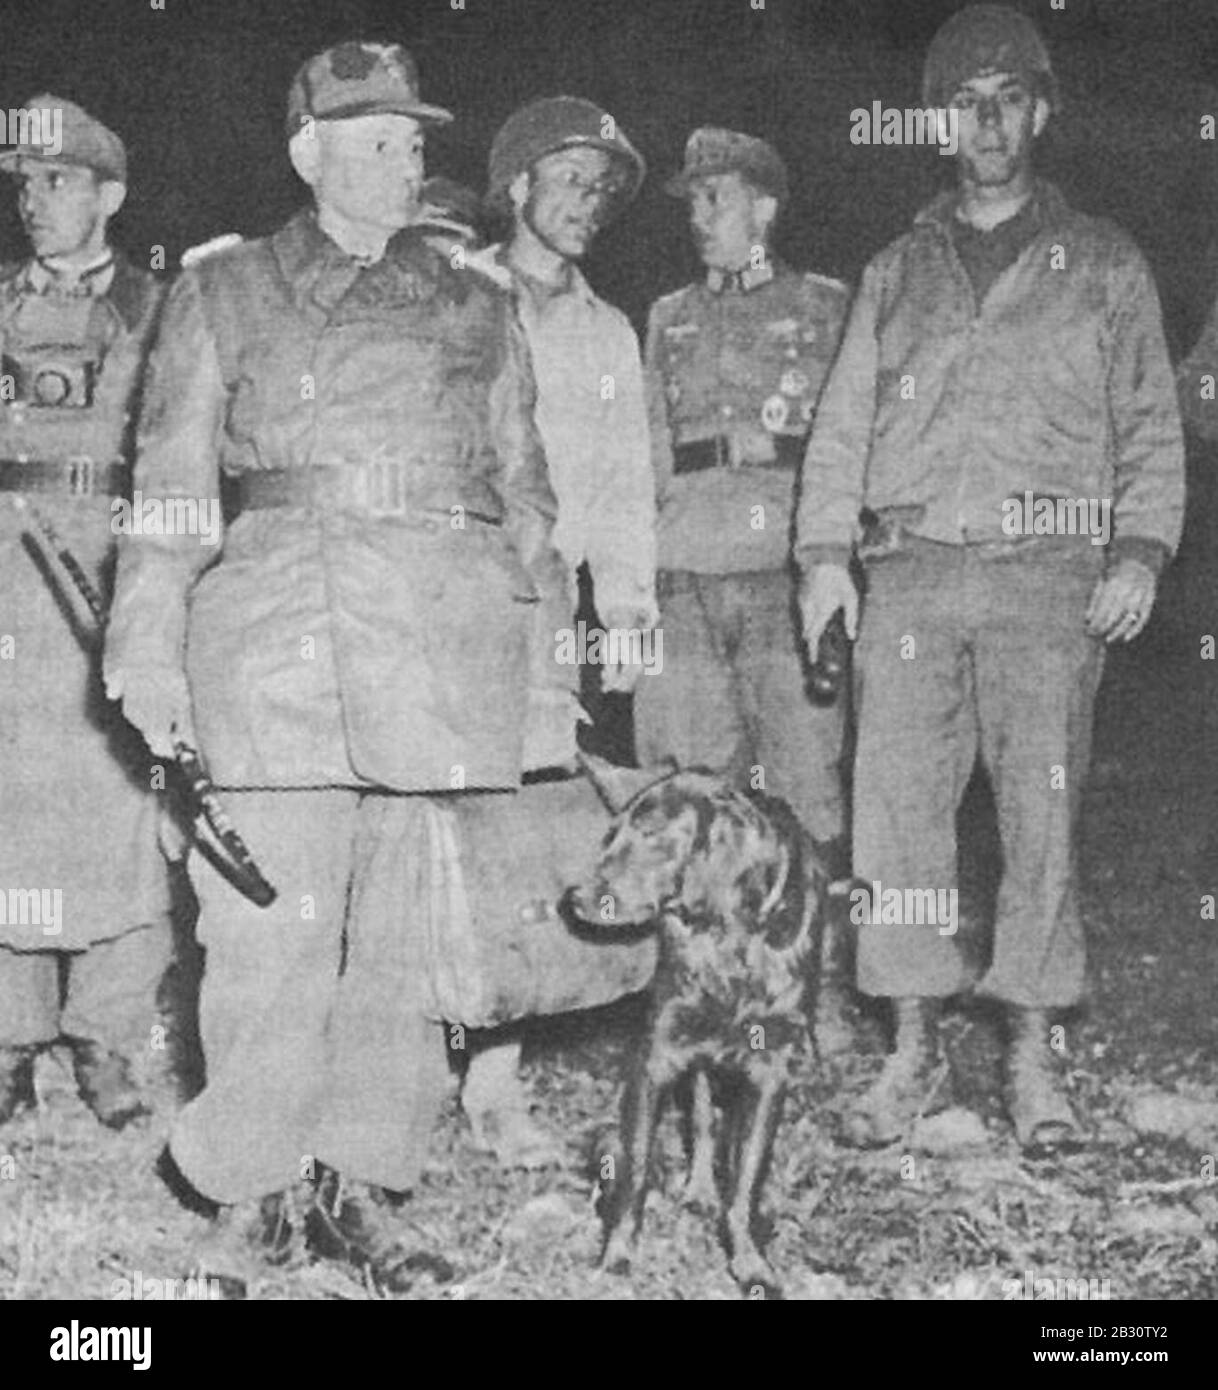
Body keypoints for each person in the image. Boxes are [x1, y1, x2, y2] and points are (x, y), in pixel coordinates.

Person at [103, 41, 568, 1293]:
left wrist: (546, 674)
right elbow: (171, 493)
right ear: (308, 152)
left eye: (412, 139)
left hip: (440, 642)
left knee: (405, 942)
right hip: (275, 640)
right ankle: (253, 1190)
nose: (403, 158)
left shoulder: (477, 298)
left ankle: (363, 1185)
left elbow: (528, 500)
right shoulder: (225, 289)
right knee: (265, 934)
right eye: (372, 138)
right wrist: (146, 653)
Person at [796, 4, 1185, 1152]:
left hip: (1048, 575)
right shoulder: (895, 270)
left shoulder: (1104, 261)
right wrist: (821, 558)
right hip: (911, 570)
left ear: (1042, 113)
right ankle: (913, 1048)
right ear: (937, 124)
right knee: (896, 818)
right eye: (965, 104)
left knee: (1041, 815)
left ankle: (1031, 1053)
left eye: (1010, 99)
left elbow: (1149, 421)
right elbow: (840, 429)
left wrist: (1140, 548)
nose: (989, 123)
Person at [460, 95, 656, 1168]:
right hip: (437, 584)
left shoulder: (606, 330)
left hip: (548, 601)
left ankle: (494, 1078)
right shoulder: (450, 289)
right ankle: (397, 1050)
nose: (588, 203)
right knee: (424, 818)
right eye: (569, 180)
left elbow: (621, 484)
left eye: (602, 188)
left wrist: (624, 608)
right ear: (518, 185)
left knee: (527, 824)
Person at [0, 95, 171, 1132]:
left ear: (110, 195)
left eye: (56, 181)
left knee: (124, 810)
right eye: (24, 184)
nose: (33, 200)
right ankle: (10, 1036)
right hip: (8, 580)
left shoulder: (161, 310)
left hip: (113, 575)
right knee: (11, 805)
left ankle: (106, 1036)